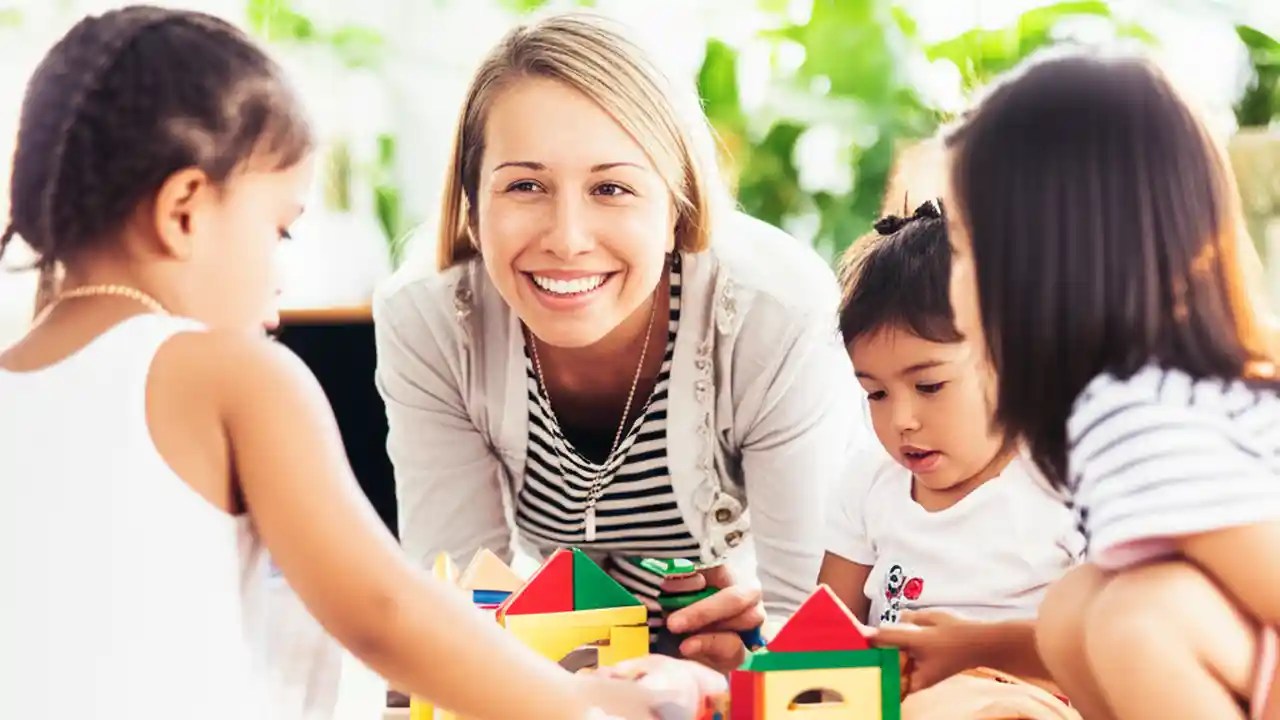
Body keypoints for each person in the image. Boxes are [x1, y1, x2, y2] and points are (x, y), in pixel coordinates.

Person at [0, 7, 722, 719]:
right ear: (184, 209)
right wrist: (588, 707)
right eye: (279, 229)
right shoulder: (234, 375)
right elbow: (385, 614)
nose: (280, 275)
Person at [373, 13, 861, 670]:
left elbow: (815, 629)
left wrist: (742, 664)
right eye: (525, 185)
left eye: (612, 188)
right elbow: (460, 599)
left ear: (675, 206)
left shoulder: (772, 314)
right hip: (555, 675)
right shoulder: (431, 323)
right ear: (471, 200)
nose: (567, 237)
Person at [944, 50, 1280, 720]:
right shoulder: (1169, 393)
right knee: (1079, 604)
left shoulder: (1138, 417)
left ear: (1035, 263)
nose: (951, 275)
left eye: (960, 245)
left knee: (1138, 618)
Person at [818, 201, 1082, 717]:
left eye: (930, 385)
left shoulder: (1063, 481)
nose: (902, 420)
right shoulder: (870, 479)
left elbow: (1110, 648)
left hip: (1022, 698)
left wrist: (973, 648)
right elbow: (828, 635)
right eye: (875, 394)